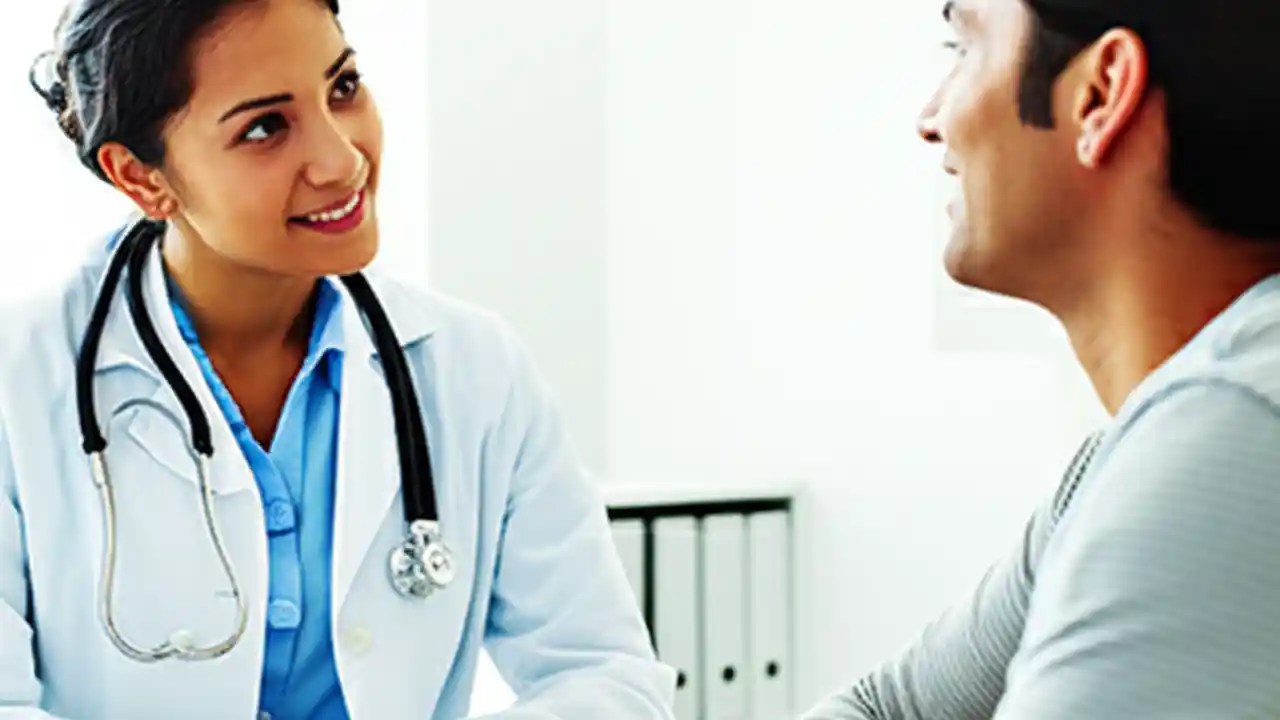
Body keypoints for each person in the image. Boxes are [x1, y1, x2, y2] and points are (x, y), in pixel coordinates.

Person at [0, 1, 674, 718]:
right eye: (265, 127)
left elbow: (603, 672)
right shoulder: (21, 378)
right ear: (141, 178)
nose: (342, 159)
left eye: (343, 88)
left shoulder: (473, 371)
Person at [805, 0, 1280, 717]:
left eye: (961, 48)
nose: (931, 118)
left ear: (1099, 94)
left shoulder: (1235, 424)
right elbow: (891, 708)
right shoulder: (1127, 457)